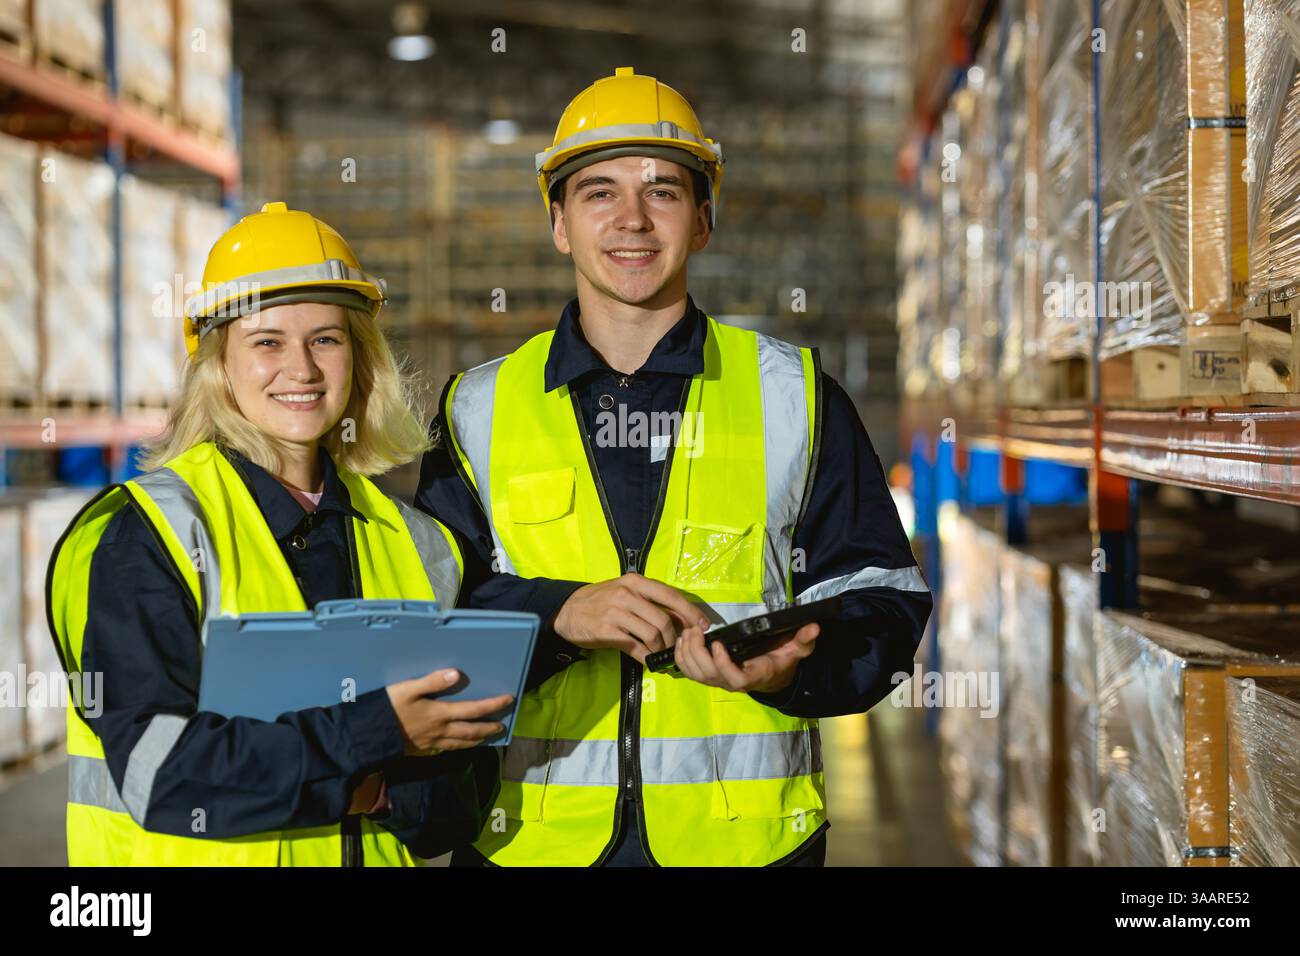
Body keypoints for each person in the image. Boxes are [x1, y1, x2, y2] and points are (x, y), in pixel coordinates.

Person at [416, 68, 933, 867]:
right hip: (530, 841)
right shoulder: (474, 408)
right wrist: (558, 615)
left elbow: (883, 604)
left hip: (745, 846)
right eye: (599, 193)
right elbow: (432, 611)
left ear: (702, 220)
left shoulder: (795, 395)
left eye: (662, 191)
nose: (632, 219)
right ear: (558, 223)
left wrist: (786, 671)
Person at [46, 202, 511, 866]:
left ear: (359, 358)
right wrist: (375, 738)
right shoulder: (146, 536)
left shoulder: (417, 544)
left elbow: (452, 806)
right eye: (267, 342)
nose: (302, 369)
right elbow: (163, 776)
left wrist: (382, 790)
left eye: (326, 338)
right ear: (218, 364)